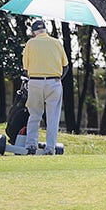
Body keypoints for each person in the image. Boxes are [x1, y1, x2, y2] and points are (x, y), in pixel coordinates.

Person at [21, 17, 70, 155]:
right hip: (54, 82)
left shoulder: (30, 43)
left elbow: (25, 68)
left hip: (35, 82)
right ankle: (50, 148)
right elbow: (65, 66)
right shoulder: (56, 43)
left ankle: (31, 145)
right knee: (53, 117)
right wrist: (57, 79)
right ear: (45, 31)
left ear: (34, 32)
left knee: (34, 114)